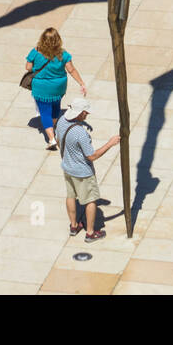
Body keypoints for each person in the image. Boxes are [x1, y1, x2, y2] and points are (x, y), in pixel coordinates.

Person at [57, 98, 120, 243]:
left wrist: (69, 157)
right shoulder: (80, 133)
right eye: (85, 113)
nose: (87, 115)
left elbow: (59, 141)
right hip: (83, 172)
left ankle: (73, 226)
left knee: (71, 196)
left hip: (67, 167)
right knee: (91, 200)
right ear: (80, 113)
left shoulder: (61, 122)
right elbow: (92, 156)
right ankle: (90, 233)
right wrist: (110, 143)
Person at [24, 27, 88, 149]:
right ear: (58, 40)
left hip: (41, 87)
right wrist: (81, 83)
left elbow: (28, 68)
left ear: (42, 39)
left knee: (44, 112)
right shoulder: (63, 55)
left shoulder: (35, 51)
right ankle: (53, 127)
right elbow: (71, 70)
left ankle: (52, 138)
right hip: (58, 87)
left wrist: (38, 69)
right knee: (55, 106)